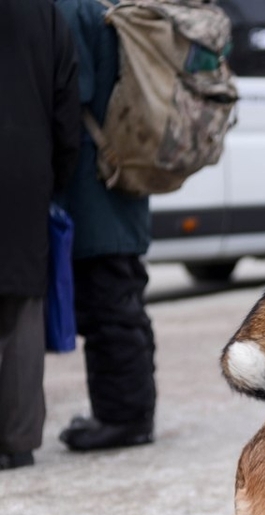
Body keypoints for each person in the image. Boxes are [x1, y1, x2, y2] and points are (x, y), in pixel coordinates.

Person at [55, 0, 158, 451]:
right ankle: (131, 412)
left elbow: (71, 91)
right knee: (124, 300)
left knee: (108, 308)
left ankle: (122, 419)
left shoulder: (73, 10)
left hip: (94, 182)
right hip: (122, 174)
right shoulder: (110, 5)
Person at [0, 0, 82, 470]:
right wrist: (56, 173)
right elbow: (65, 101)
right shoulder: (45, 13)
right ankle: (17, 438)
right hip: (26, 175)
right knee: (21, 307)